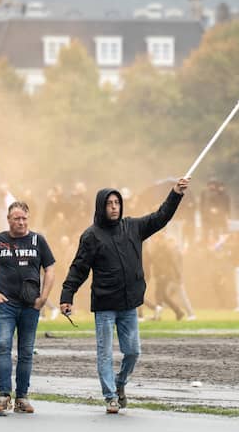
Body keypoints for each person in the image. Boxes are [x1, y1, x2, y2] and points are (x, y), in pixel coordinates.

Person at [60, 177, 190, 414]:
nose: (114, 207)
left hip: (129, 304)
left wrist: (175, 193)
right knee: (105, 354)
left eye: (117, 203)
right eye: (109, 203)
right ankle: (110, 397)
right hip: (105, 305)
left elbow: (161, 217)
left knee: (133, 352)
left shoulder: (133, 227)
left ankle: (120, 384)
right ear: (101, 206)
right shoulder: (91, 236)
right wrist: (67, 295)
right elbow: (79, 268)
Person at [0, 201, 55, 415]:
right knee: (3, 346)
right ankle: (4, 395)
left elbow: (50, 269)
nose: (21, 222)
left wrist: (44, 298)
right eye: (17, 218)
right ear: (9, 220)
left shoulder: (38, 240)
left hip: (30, 306)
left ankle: (22, 397)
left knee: (26, 352)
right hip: (6, 305)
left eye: (24, 218)